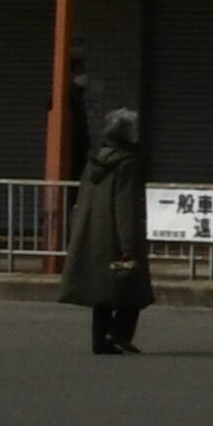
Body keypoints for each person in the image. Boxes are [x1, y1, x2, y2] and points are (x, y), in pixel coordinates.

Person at [63, 106, 155, 355]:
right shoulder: (128, 164)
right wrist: (128, 246)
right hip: (117, 235)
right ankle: (118, 334)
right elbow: (125, 206)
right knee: (132, 288)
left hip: (94, 234)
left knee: (101, 291)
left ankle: (100, 340)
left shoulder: (96, 162)